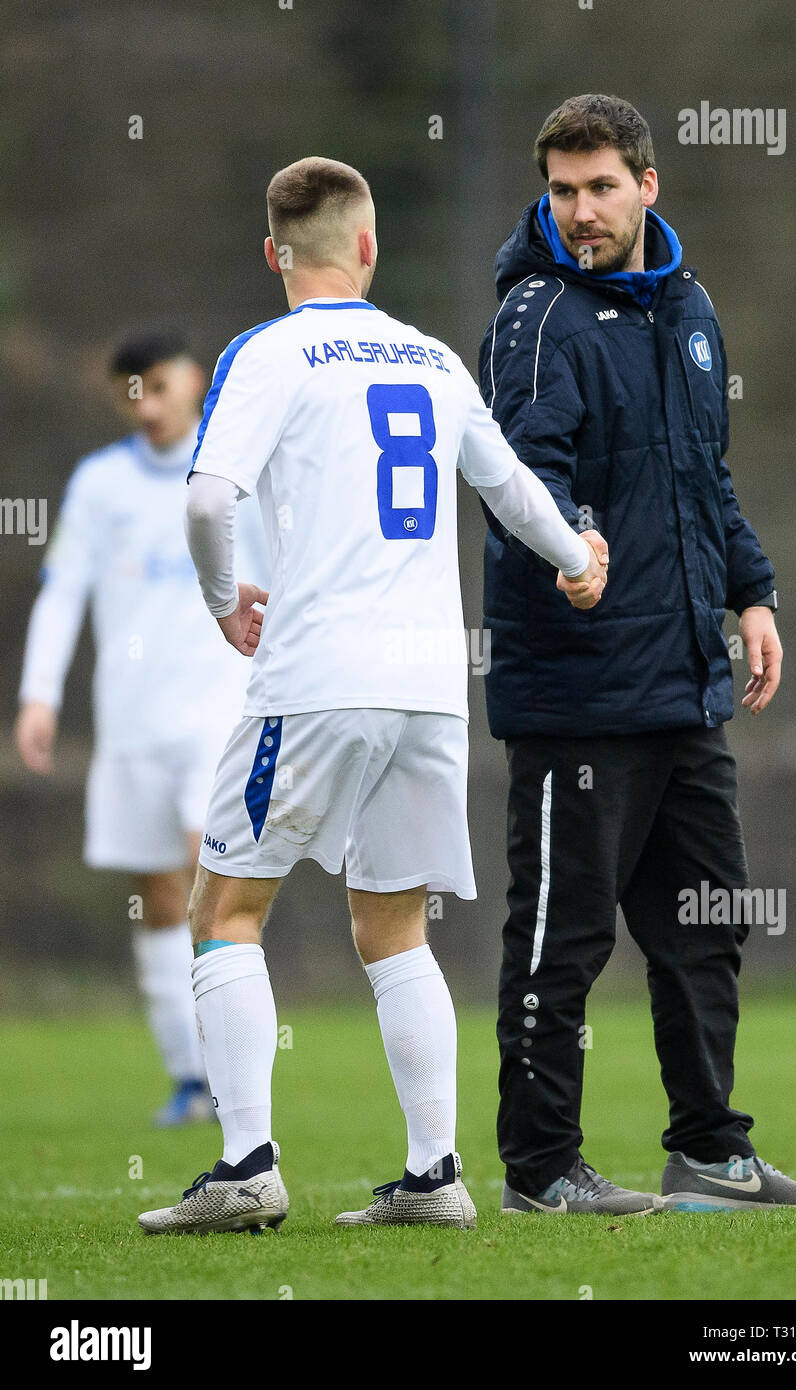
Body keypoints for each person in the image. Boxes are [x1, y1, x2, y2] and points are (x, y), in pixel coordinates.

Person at [137, 155, 608, 1235]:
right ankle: (434, 1171)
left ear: (274, 254)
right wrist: (575, 554)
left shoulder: (269, 351)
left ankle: (245, 1163)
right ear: (368, 244)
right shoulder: (433, 357)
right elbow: (507, 486)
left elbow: (209, 500)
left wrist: (222, 602)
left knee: (224, 911)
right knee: (395, 927)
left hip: (317, 675)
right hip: (428, 687)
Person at [479, 94, 796, 1214]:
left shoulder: (688, 308)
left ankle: (710, 1154)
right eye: (560, 190)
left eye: (598, 186)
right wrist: (567, 542)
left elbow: (704, 478)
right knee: (562, 942)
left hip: (684, 683)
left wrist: (754, 595)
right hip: (578, 688)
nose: (579, 211)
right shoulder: (536, 317)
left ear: (647, 185)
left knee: (706, 930)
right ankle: (542, 1170)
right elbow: (516, 480)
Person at [15, 330, 268, 1126]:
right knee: (159, 896)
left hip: (219, 713)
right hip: (132, 723)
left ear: (193, 380)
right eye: (134, 392)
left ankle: (236, 1079)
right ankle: (191, 1076)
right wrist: (37, 697)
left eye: (159, 387)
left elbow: (282, 578)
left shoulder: (234, 470)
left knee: (208, 866)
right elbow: (62, 592)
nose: (148, 406)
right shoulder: (99, 484)